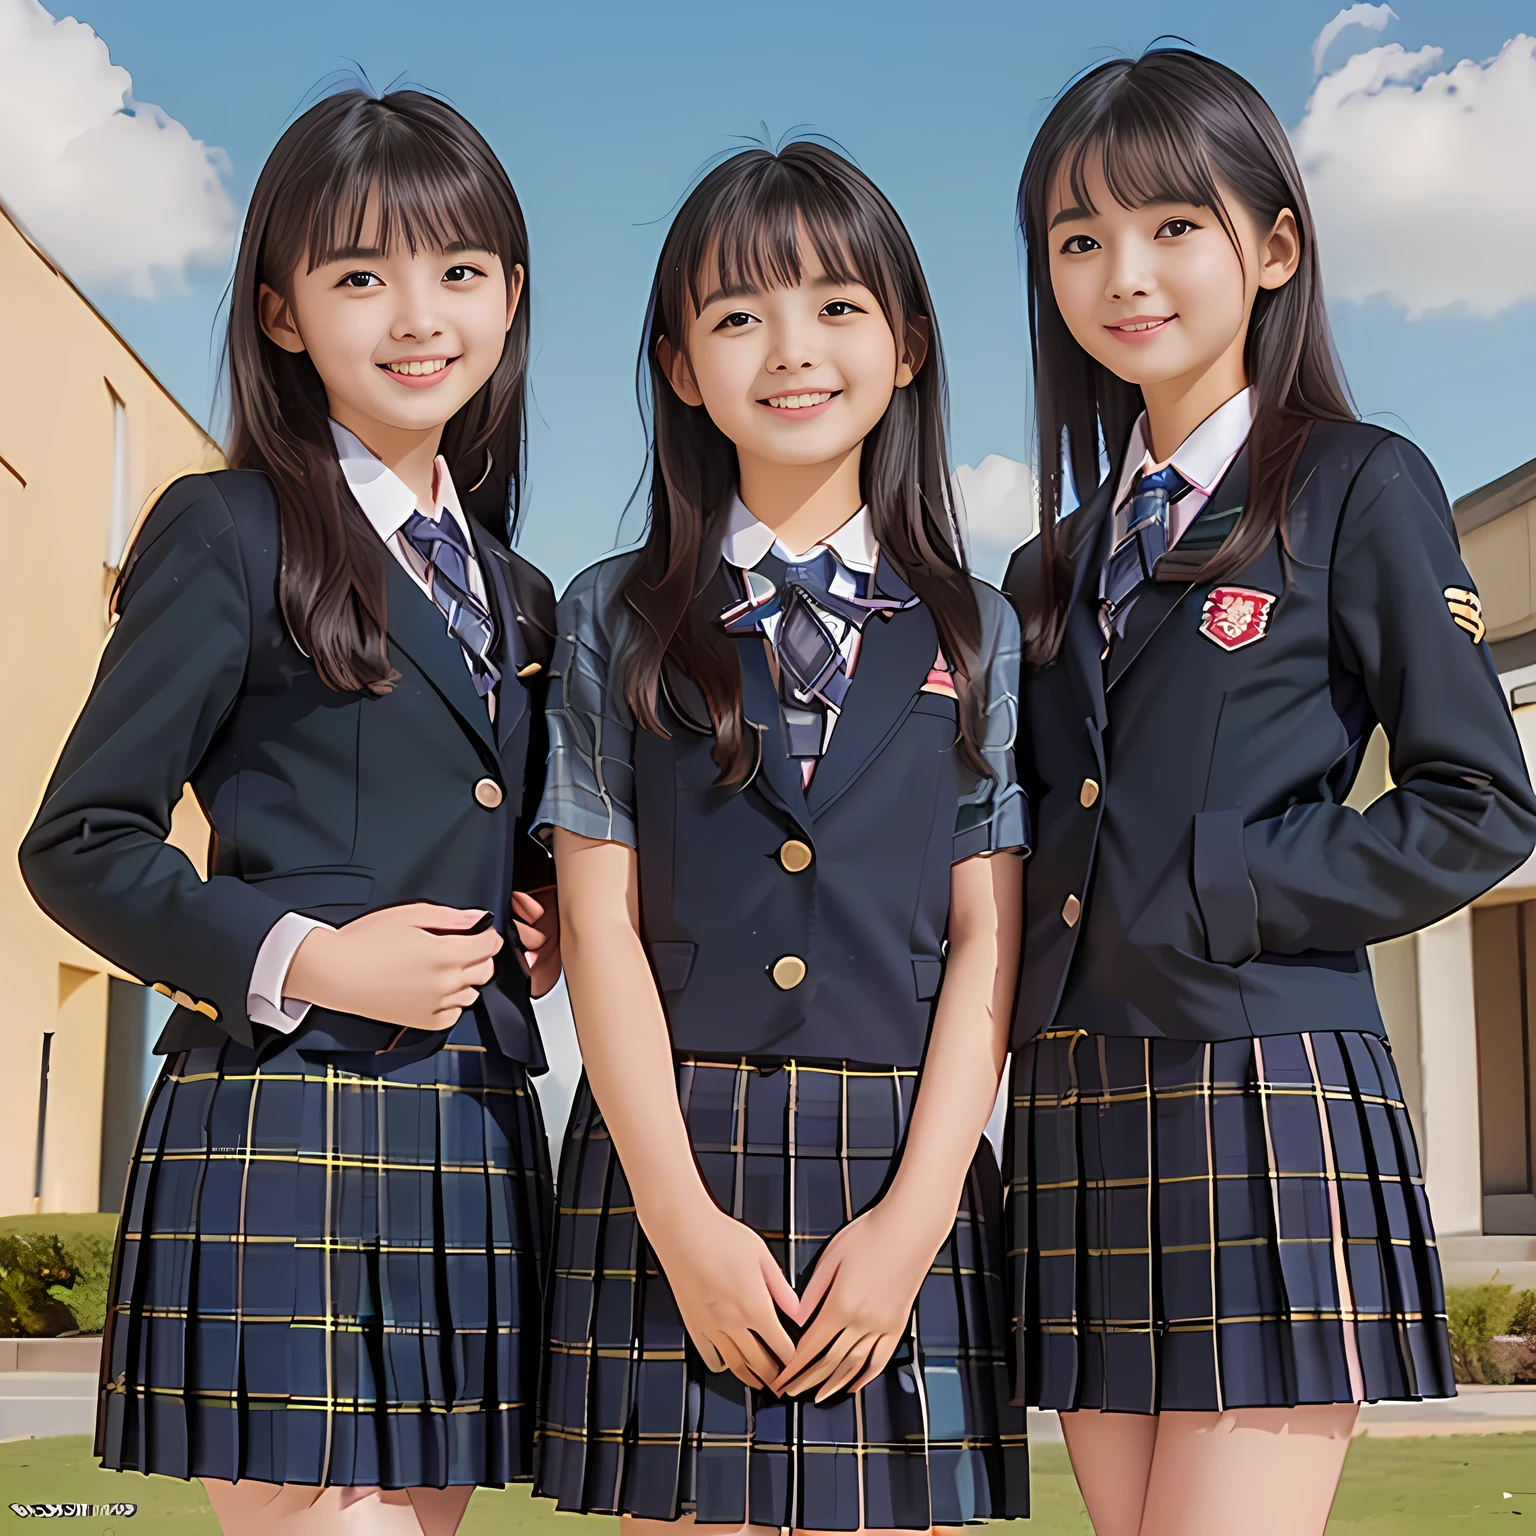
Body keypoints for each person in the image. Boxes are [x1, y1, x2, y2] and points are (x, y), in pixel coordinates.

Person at [1000, 48, 1536, 1536]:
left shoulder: (1360, 484)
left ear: (1276, 244)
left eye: (1175, 226)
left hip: (1268, 1085)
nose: (1126, 273)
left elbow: (1482, 802)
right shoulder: (1043, 569)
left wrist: (1230, 884)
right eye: (1081, 238)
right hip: (1075, 1102)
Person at [19, 88, 559, 1536]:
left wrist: (541, 920)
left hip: (468, 1124)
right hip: (285, 1108)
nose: (416, 314)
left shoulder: (520, 594)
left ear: (509, 295)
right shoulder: (228, 527)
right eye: (359, 276)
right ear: (279, 311)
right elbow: (79, 844)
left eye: (458, 271)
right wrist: (312, 957)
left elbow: (494, 823)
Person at [533, 141, 1030, 1533]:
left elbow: (989, 932)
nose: (792, 350)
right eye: (740, 315)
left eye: (837, 306)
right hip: (673, 1148)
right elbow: (601, 925)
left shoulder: (981, 627)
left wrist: (915, 1227)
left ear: (908, 347)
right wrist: (680, 1227)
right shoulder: (612, 614)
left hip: (901, 1161)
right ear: (682, 365)